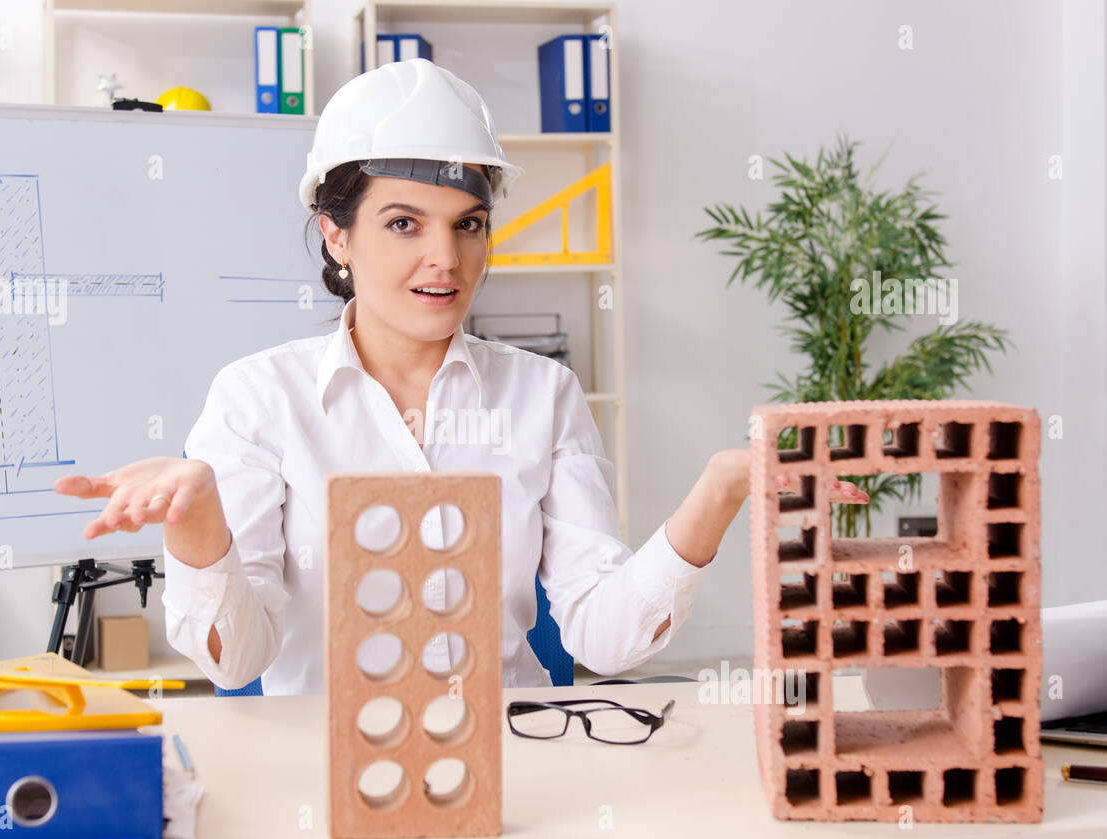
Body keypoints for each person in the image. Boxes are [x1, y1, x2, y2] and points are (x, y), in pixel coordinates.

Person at [53, 60, 868, 694]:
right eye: (403, 223)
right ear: (336, 234)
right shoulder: (260, 399)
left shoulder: (541, 395)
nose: (446, 258)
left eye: (468, 225)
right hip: (334, 774)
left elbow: (603, 637)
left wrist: (723, 486)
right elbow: (239, 662)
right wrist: (198, 524)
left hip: (512, 765)